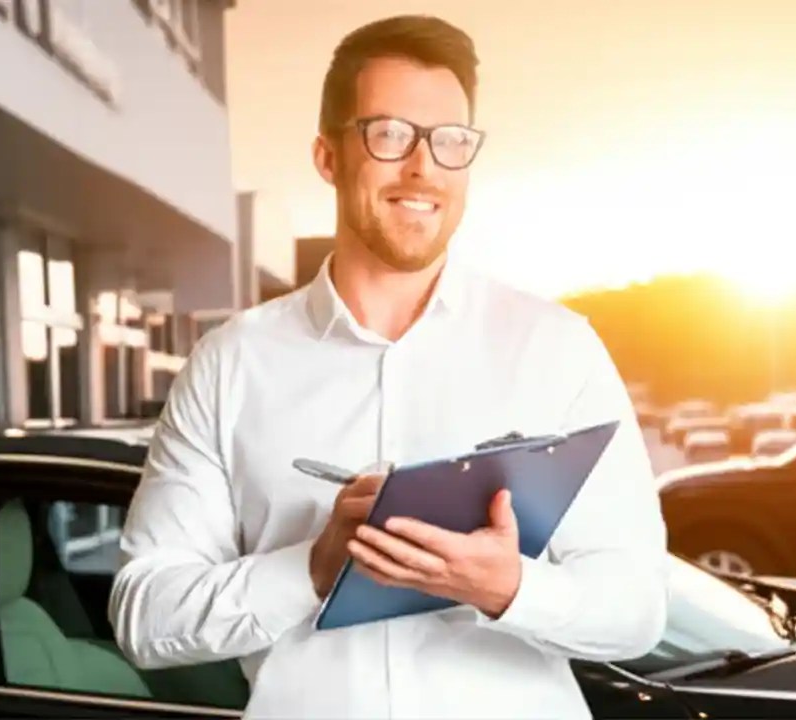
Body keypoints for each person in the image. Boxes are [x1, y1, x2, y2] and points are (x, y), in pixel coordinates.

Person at [109, 14, 668, 719]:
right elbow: (144, 616)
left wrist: (507, 586)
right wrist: (311, 568)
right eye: (389, 133)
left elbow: (639, 608)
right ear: (328, 156)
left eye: (450, 141)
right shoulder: (230, 365)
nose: (423, 167)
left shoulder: (558, 348)